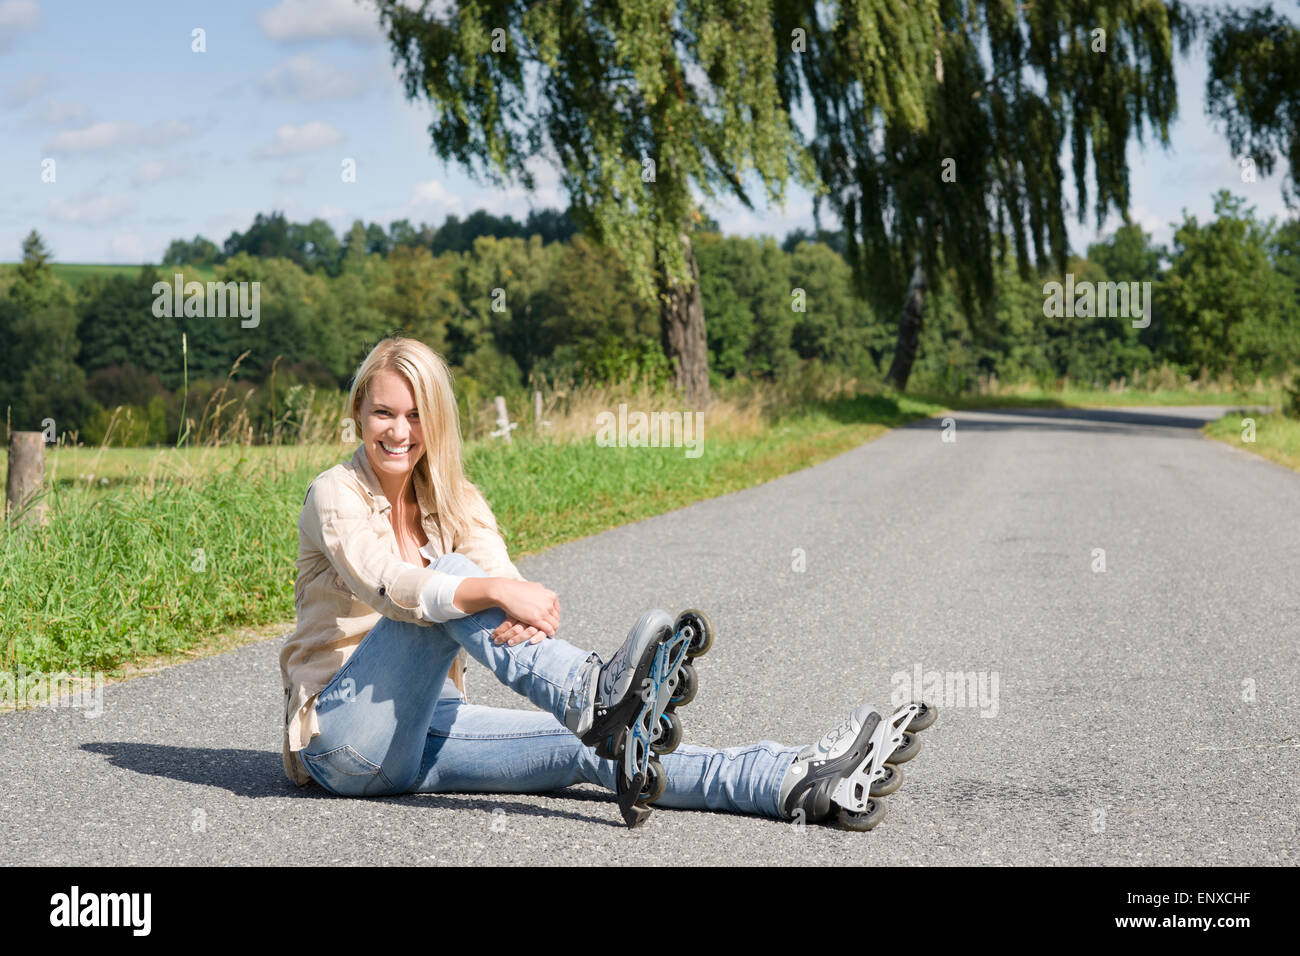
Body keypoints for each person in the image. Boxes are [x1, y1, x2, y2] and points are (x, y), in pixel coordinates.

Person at [279, 336, 934, 830]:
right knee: (450, 581)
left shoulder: (457, 498)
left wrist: (511, 601)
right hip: (342, 742)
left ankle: (796, 780)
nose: (398, 431)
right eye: (383, 413)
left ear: (438, 422)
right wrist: (495, 594)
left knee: (594, 749)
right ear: (358, 412)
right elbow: (391, 585)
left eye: (416, 415)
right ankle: (590, 693)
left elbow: (509, 596)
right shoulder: (334, 494)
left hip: (421, 734)